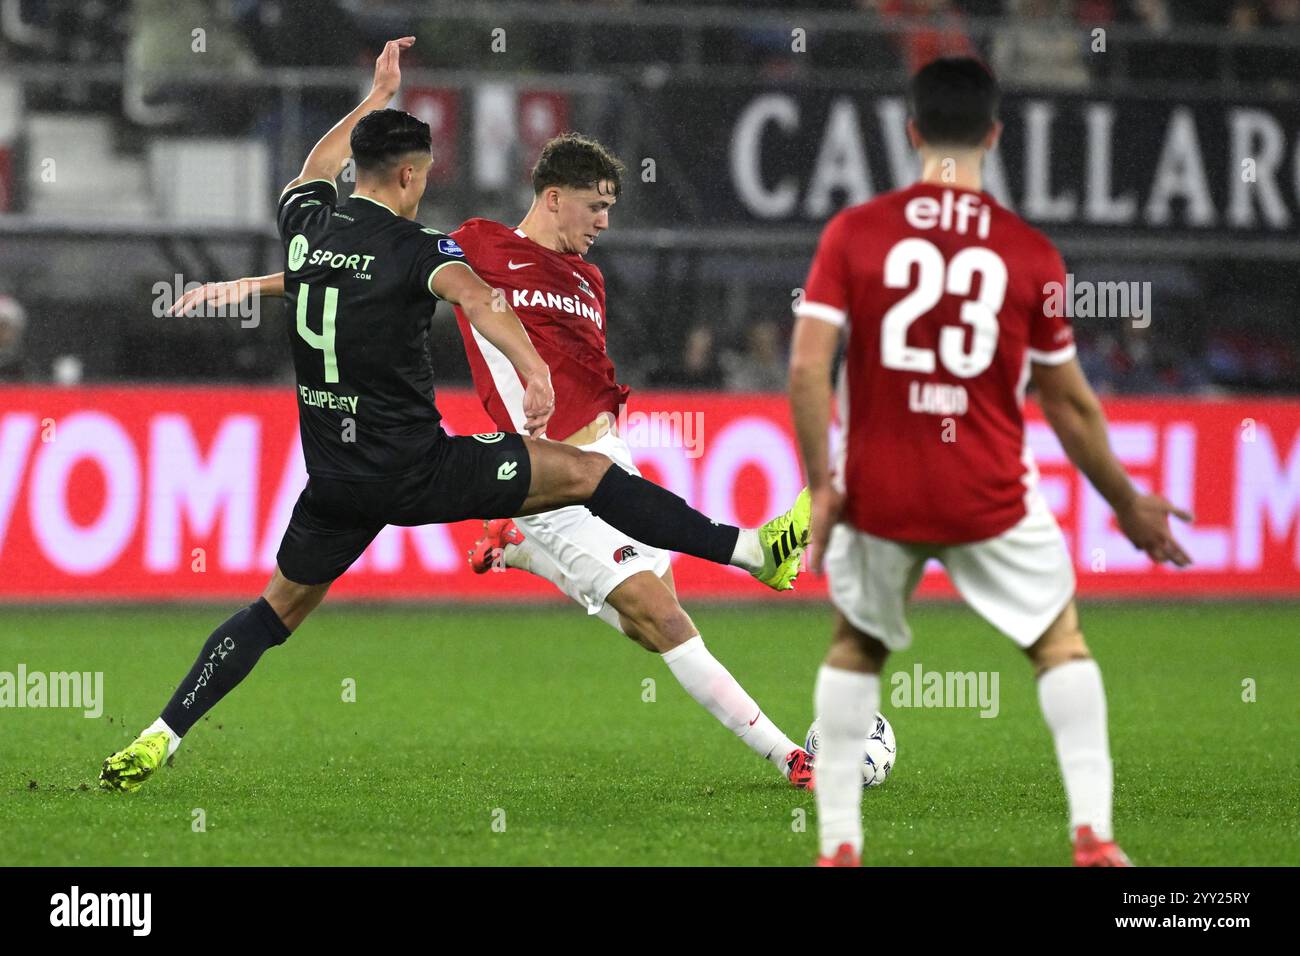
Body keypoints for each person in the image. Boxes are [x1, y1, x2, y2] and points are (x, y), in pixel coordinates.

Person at [101, 37, 810, 793]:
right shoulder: (417, 249)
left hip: (336, 483)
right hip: (423, 470)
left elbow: (315, 171)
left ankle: (158, 735)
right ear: (409, 176)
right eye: (423, 175)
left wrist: (371, 104)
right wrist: (533, 368)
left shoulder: (308, 227)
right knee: (591, 476)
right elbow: (477, 295)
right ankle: (745, 552)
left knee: (272, 615)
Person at [788, 57, 1192, 867]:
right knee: (1060, 646)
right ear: (995, 136)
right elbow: (1070, 404)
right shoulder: (1028, 253)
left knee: (855, 647)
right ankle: (1093, 838)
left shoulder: (855, 233)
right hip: (989, 489)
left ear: (912, 133)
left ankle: (838, 847)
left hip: (881, 486)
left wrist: (824, 489)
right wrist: (1125, 500)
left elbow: (806, 369)